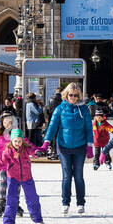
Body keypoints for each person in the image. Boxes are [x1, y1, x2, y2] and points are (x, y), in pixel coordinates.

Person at [44, 81, 91, 215]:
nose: (73, 98)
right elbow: (52, 126)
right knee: (66, 176)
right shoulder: (60, 109)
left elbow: (88, 128)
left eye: (76, 95)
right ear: (66, 95)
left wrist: (89, 145)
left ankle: (81, 202)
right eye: (71, 95)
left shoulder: (84, 109)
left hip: (80, 147)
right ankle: (65, 202)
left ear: (79, 96)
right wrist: (46, 141)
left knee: (78, 176)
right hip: (64, 147)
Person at [0, 129, 45, 224]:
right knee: (11, 199)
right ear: (11, 141)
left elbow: (33, 151)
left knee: (33, 198)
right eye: (15, 141)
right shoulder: (7, 152)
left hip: (27, 177)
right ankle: (8, 221)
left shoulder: (25, 149)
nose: (17, 143)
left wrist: (37, 152)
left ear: (22, 141)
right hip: (13, 178)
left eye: (19, 141)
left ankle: (37, 219)